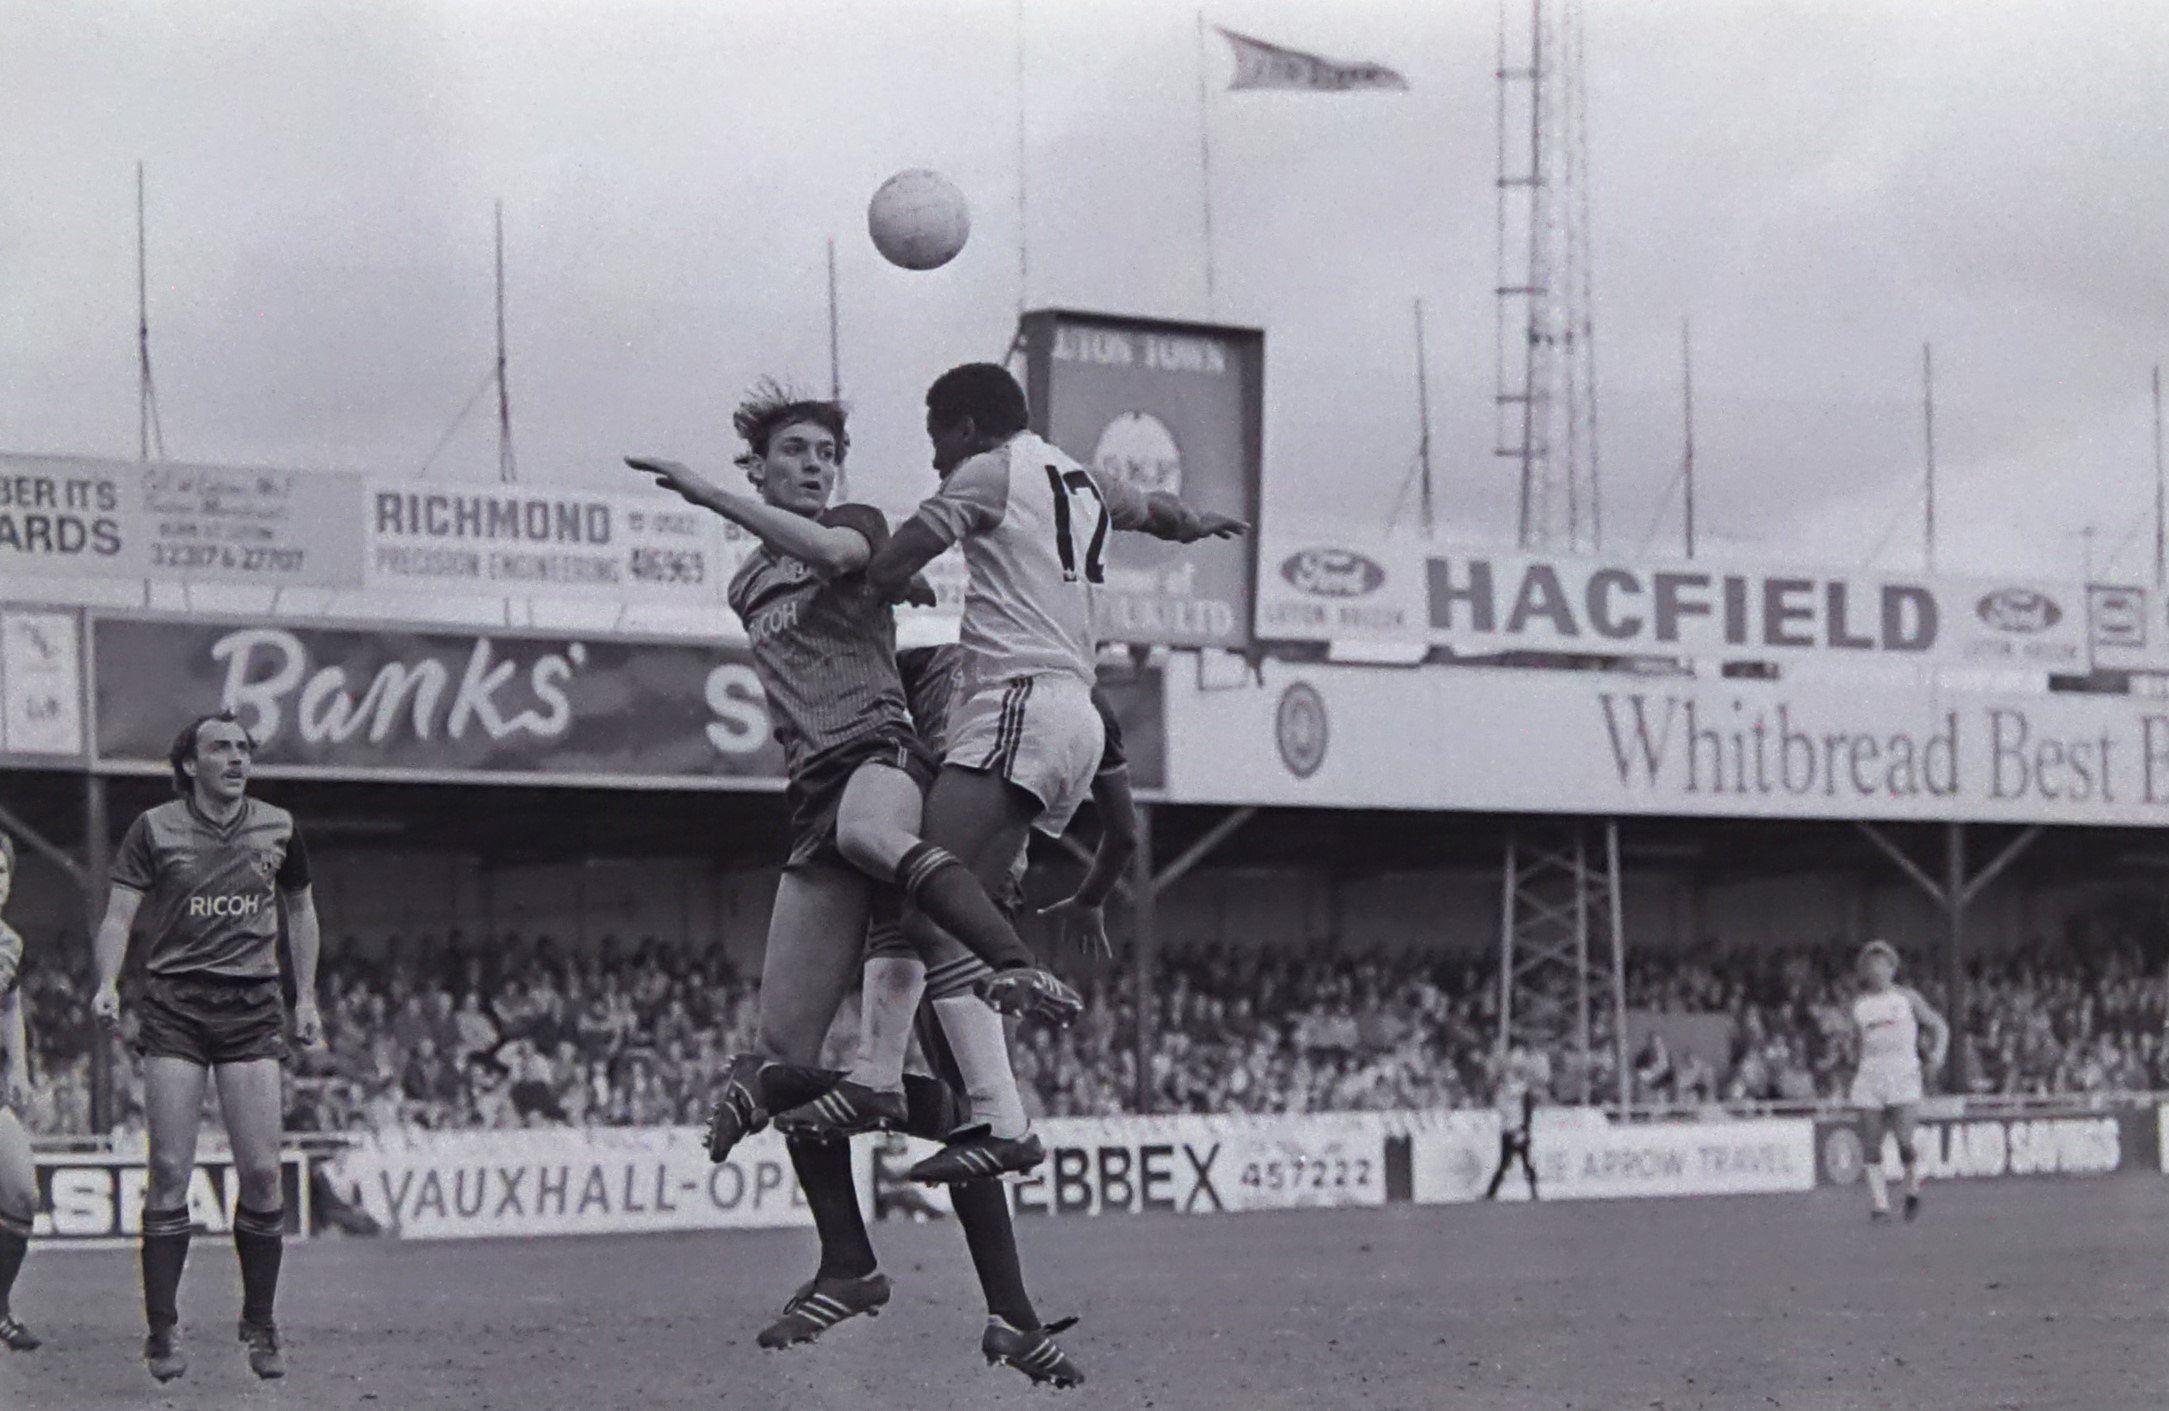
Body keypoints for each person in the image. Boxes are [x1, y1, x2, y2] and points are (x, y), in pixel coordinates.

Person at [788, 361, 1234, 1135]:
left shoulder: (987, 474)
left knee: (914, 880)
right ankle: (983, 1117)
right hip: (1077, 717)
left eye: (937, 442)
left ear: (964, 427)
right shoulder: (1083, 478)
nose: (936, 460)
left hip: (1017, 701)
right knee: (934, 911)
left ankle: (950, 1037)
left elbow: (890, 563)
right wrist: (1196, 522)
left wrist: (879, 581)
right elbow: (1157, 512)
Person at [90, 711, 324, 1383]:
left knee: (260, 1172)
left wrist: (304, 995)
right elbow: (118, 913)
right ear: (190, 763)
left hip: (251, 1006)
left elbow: (300, 908)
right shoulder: (153, 828)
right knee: (168, 1166)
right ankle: (162, 1327)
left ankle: (260, 1319)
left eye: (244, 748)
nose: (236, 757)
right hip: (175, 1005)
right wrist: (106, 982)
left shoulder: (279, 825)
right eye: (220, 747)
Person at [1848, 940, 1949, 1222]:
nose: (1877, 970)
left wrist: (1937, 1056)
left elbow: (1939, 1025)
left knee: (1905, 1140)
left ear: (1892, 968)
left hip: (1903, 1074)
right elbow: (1858, 1044)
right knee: (1871, 1143)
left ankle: (1913, 1187)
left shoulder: (1907, 999)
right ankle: (1880, 1204)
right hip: (1871, 1076)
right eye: (1871, 965)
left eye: (1882, 964)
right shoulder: (1860, 1005)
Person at [0, 832, 43, 1352]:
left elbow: (9, 1005)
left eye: (3, 871)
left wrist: (21, 1069)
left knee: (22, 1194)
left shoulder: (9, 941)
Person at [1483, 1047, 1540, 1201]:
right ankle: (1491, 1193)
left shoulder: (1520, 1091)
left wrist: (1525, 1128)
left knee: (1525, 1162)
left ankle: (1534, 1191)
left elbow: (1527, 1109)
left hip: (1518, 1129)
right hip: (1508, 1129)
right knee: (1505, 1163)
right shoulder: (1506, 1093)